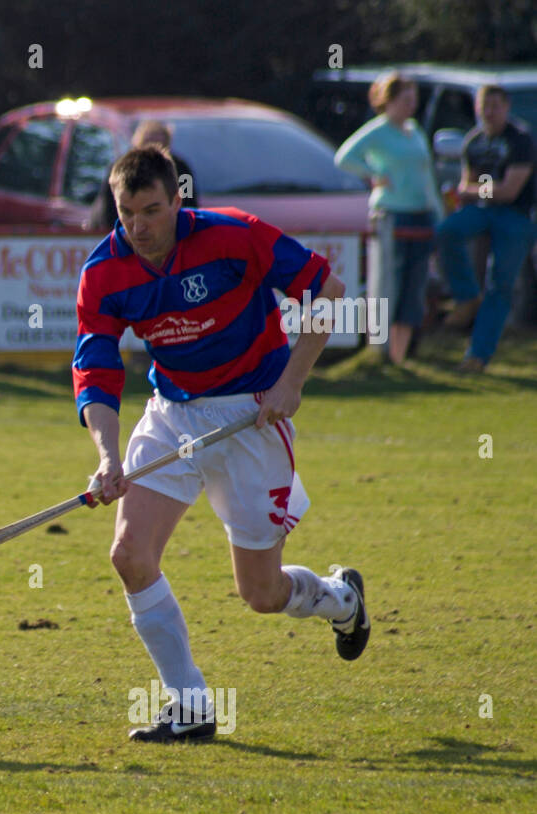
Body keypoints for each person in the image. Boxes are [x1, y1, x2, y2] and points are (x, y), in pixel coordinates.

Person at [74, 147, 369, 743]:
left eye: (151, 210)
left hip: (251, 415)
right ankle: (190, 706)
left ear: (178, 199)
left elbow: (327, 290)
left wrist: (291, 382)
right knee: (129, 554)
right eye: (126, 213)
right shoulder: (103, 272)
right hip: (173, 414)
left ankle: (340, 599)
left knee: (261, 594)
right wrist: (107, 457)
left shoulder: (235, 236)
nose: (139, 227)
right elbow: (98, 369)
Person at [334, 73, 442, 365]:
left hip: (421, 215)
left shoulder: (415, 130)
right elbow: (344, 156)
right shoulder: (378, 130)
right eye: (404, 99)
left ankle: (399, 357)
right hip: (392, 215)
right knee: (388, 283)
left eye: (413, 99)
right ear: (389, 101)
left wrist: (438, 212)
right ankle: (378, 353)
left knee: (414, 285)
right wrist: (374, 174)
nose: (410, 105)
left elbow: (426, 173)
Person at [436, 84, 536, 372]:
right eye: (484, 106)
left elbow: (510, 192)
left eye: (495, 106)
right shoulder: (474, 141)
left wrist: (478, 190)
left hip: (516, 217)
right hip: (484, 210)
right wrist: (479, 191)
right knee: (447, 230)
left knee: (500, 284)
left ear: (506, 107)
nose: (489, 113)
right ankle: (467, 297)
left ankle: (478, 355)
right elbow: (466, 187)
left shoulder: (521, 140)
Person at [87, 120, 197, 231]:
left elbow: (188, 206)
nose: (152, 154)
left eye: (159, 147)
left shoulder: (182, 171)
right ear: (137, 145)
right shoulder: (121, 169)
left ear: (167, 147)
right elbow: (109, 210)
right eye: (147, 147)